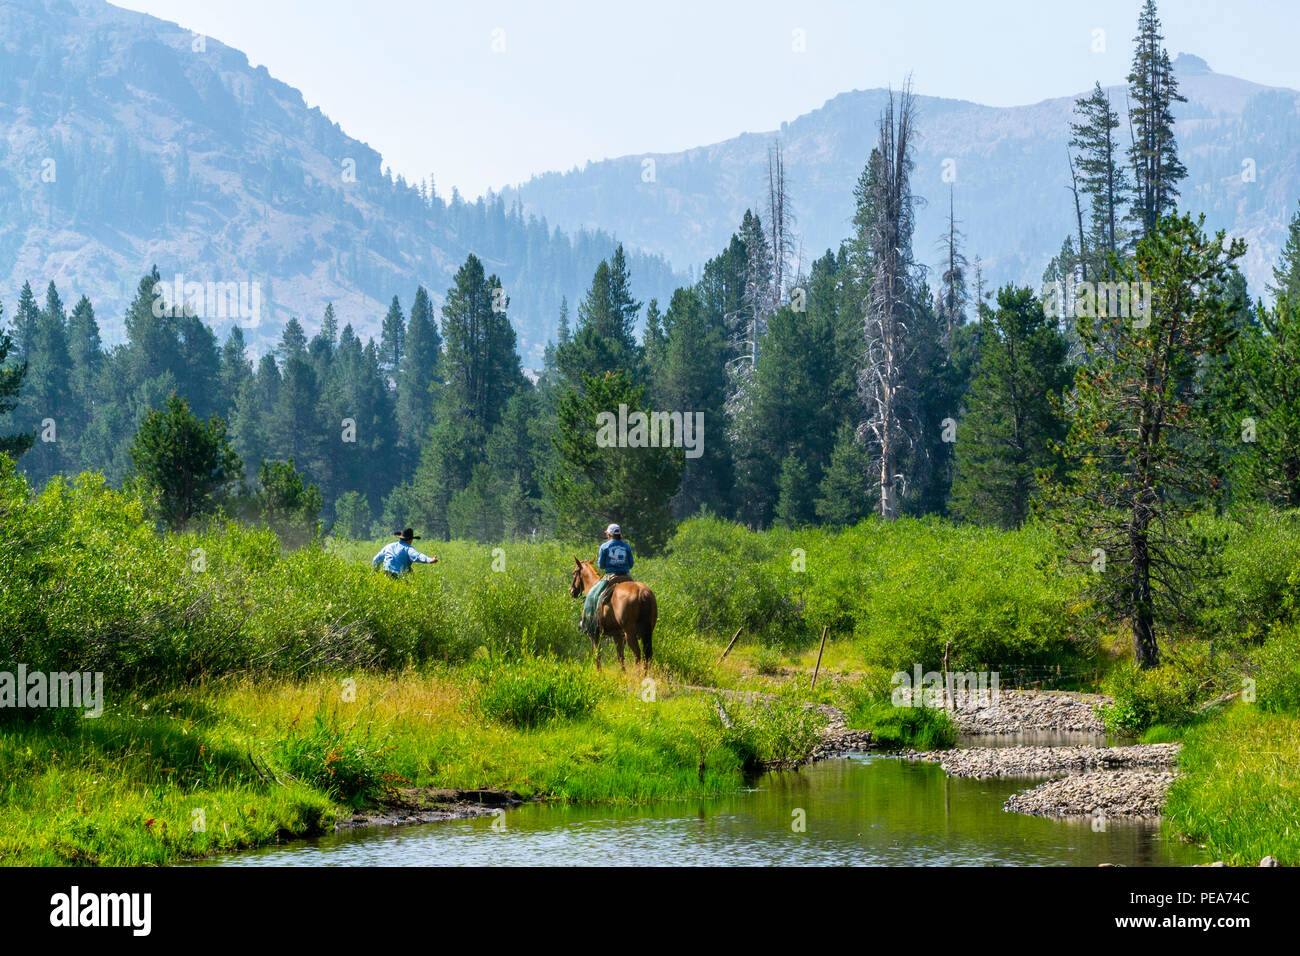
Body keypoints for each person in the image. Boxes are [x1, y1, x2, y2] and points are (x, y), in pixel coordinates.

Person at [582, 523, 633, 634]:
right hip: (626, 576)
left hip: (611, 576)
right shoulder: (627, 546)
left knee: (591, 595)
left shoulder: (604, 546)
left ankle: (588, 623)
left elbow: (601, 566)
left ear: (609, 534)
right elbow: (631, 564)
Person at [372, 528, 438, 578]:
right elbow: (417, 556)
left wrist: (376, 573)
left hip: (386, 576)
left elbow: (375, 559)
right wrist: (429, 560)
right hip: (399, 577)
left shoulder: (389, 546)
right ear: (410, 539)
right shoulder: (408, 549)